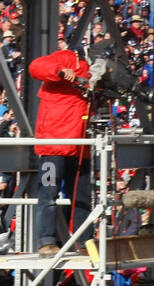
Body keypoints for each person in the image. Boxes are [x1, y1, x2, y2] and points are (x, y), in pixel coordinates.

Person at [29, 41, 93, 256]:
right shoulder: (67, 58)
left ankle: (85, 242)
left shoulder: (92, 70)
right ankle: (47, 241)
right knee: (49, 193)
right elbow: (36, 66)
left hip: (78, 143)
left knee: (82, 196)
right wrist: (59, 70)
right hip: (55, 143)